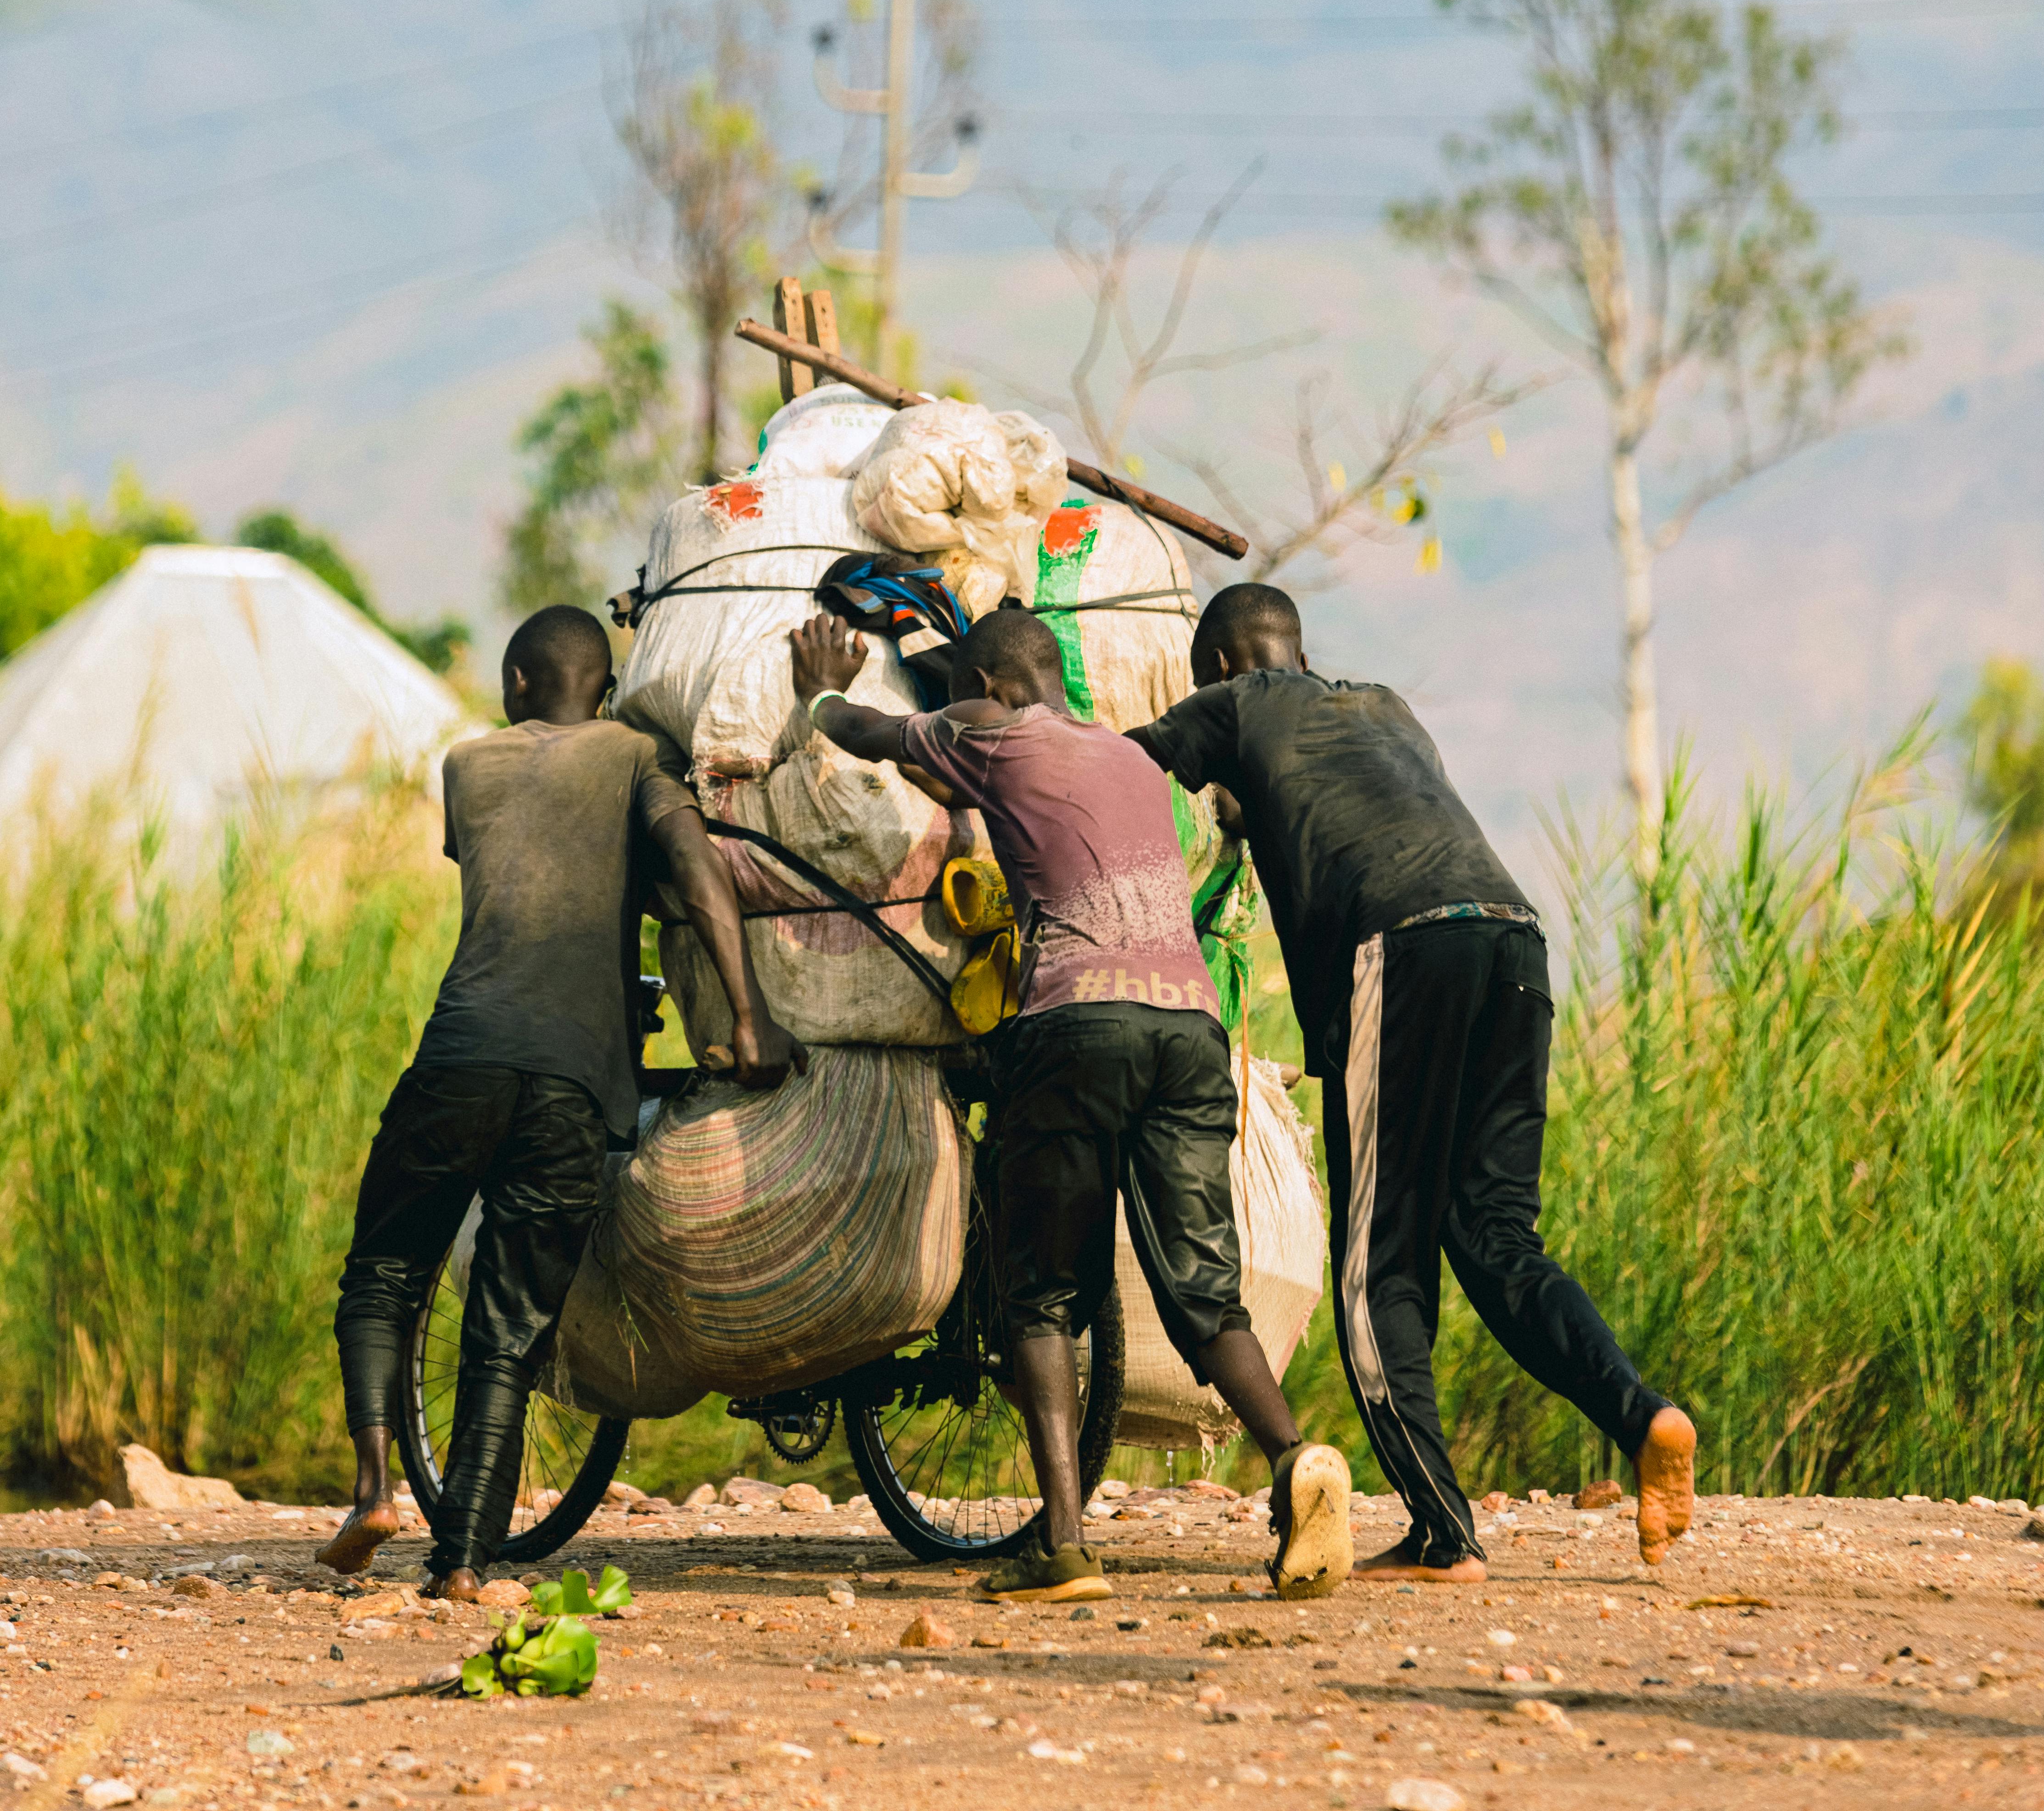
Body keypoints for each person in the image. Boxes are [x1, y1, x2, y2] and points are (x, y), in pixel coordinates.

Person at [788, 600, 1355, 1606]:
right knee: (1203, 1292)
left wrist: (821, 695)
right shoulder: (1130, 757)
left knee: (1042, 1293)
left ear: (992, 687)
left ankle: (1059, 1544)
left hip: (1078, 1026)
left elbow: (872, 734)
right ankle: (1292, 1457)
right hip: (1189, 1030)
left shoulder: (991, 730)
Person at [1127, 581, 1695, 1582]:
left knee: (1375, 1264)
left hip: (1401, 949)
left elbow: (1109, 769)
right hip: (1512, 939)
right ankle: (1643, 1417)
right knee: (1496, 1238)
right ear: (1302, 653)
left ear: (1217, 666)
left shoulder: (1236, 702)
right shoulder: (1384, 706)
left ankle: (1442, 1533)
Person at [320, 603, 803, 1599]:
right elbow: (699, 877)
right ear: (609, 691)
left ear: (515, 683)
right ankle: (463, 1564)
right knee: (509, 1332)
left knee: (383, 1274)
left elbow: (517, 870)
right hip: (576, 1081)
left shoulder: (467, 765)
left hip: (458, 1062)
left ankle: (374, 1488)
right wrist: (750, 1017)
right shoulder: (635, 758)